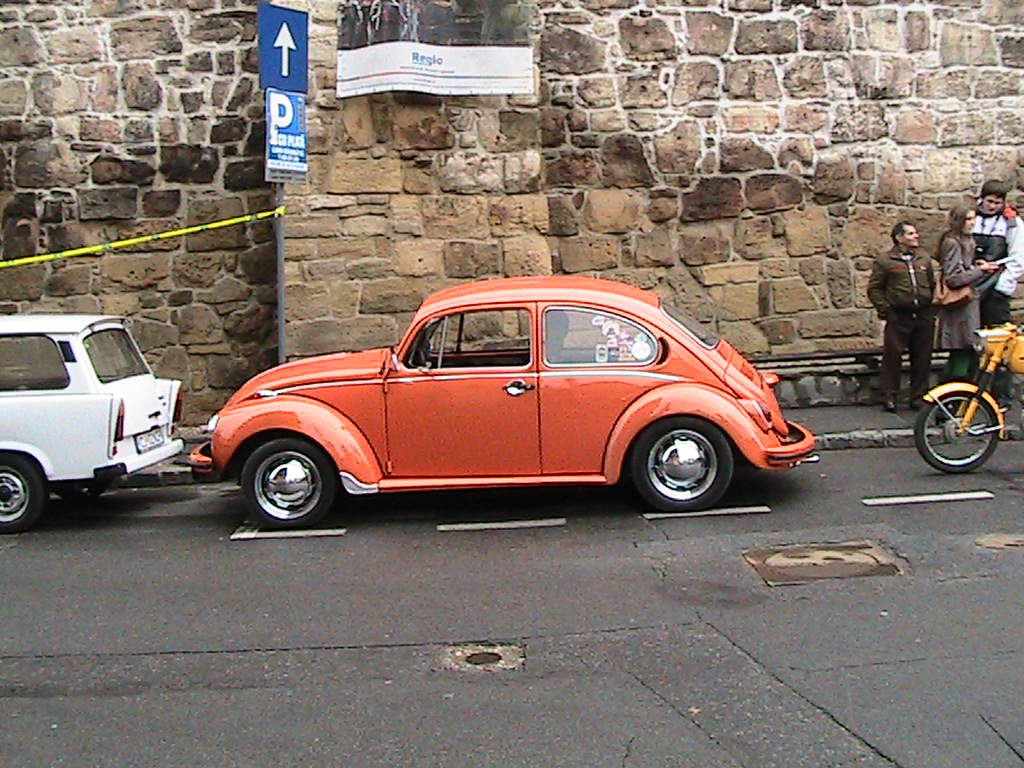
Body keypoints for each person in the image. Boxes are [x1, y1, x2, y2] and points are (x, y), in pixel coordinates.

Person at [868, 221, 936, 412]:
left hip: (922, 315)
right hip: (899, 315)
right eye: (910, 234)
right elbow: (875, 288)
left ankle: (918, 396)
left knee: (922, 357)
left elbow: (932, 284)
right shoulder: (885, 261)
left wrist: (931, 308)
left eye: (915, 233)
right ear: (899, 238)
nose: (916, 236)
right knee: (893, 357)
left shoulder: (923, 259)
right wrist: (887, 310)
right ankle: (889, 395)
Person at [935, 203, 1001, 384]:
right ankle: (948, 397)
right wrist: (981, 271)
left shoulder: (966, 241)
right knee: (961, 352)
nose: (973, 223)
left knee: (966, 351)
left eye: (974, 218)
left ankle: (955, 396)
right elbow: (953, 278)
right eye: (969, 219)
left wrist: (976, 266)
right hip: (959, 306)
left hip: (966, 304)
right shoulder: (953, 242)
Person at [973, 180, 1024, 408]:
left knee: (999, 343)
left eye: (997, 202)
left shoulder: (1012, 224)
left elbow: (1018, 257)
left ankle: (1000, 396)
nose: (992, 206)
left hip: (996, 289)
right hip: (971, 286)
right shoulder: (970, 218)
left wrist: (1002, 284)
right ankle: (970, 393)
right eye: (989, 201)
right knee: (972, 343)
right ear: (981, 198)